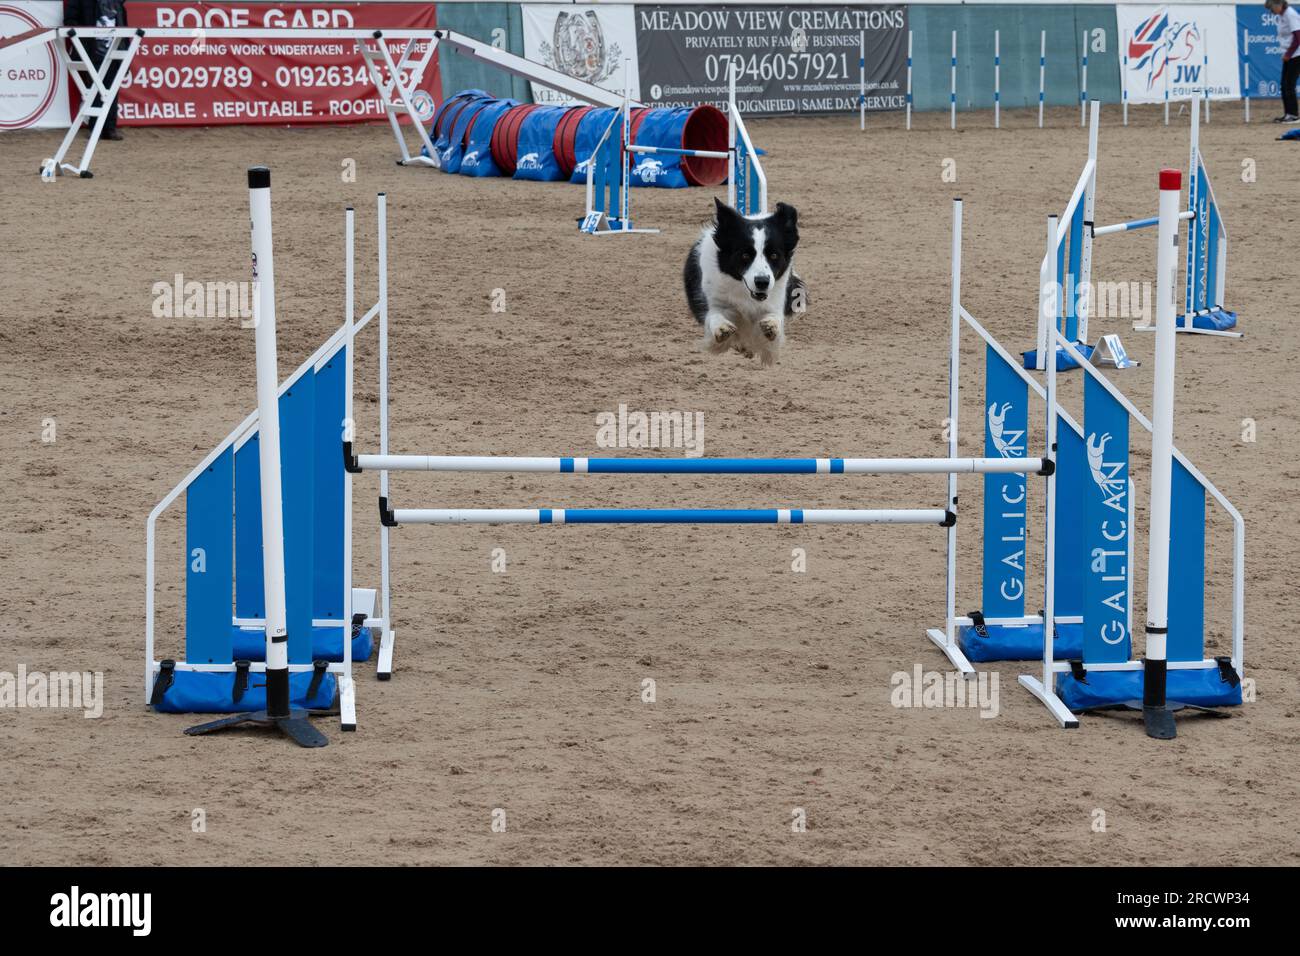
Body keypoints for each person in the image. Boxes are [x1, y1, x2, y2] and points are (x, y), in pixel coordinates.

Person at [63, 0, 128, 140]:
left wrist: (126, 54)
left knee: (112, 91)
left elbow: (125, 29)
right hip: (92, 53)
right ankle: (95, 129)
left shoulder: (118, 3)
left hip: (115, 52)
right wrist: (84, 36)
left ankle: (110, 129)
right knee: (94, 91)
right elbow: (69, 20)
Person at [1267, 0, 1300, 122]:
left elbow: (1298, 38)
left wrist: (1289, 54)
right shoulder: (1282, 16)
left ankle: (1294, 115)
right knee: (1284, 84)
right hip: (1289, 55)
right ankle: (1288, 113)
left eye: (1272, 8)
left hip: (1296, 55)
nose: (1271, 11)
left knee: (1289, 84)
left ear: (1279, 4)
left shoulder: (1290, 14)